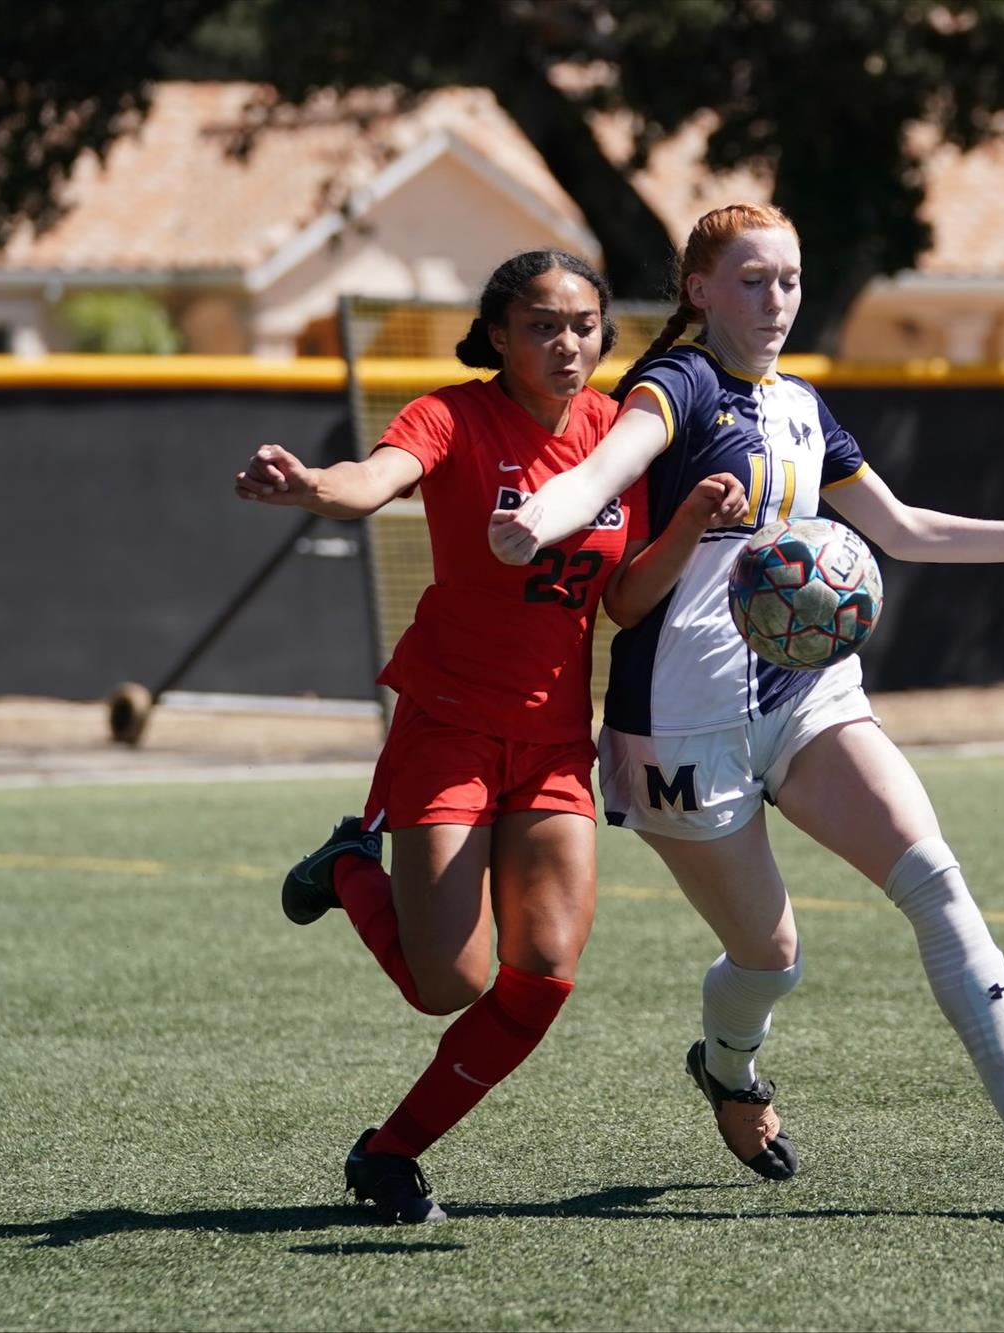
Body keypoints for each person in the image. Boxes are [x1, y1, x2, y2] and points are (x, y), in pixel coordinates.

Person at [488, 204, 1004, 1186]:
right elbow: (602, 472)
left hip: (809, 698)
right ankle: (726, 1066)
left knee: (931, 877)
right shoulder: (676, 386)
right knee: (771, 959)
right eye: (751, 280)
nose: (775, 299)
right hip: (678, 726)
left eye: (789, 279)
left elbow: (903, 528)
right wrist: (536, 518)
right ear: (700, 289)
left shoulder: (802, 404)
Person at [234, 249, 746, 1223]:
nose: (566, 344)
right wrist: (308, 484)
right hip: (448, 726)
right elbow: (369, 478)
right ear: (499, 334)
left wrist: (681, 523)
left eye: (584, 325)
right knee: (448, 984)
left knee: (541, 975)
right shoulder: (450, 415)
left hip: (554, 739)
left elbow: (623, 602)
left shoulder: (617, 437)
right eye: (543, 325)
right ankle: (351, 863)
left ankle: (388, 1153)